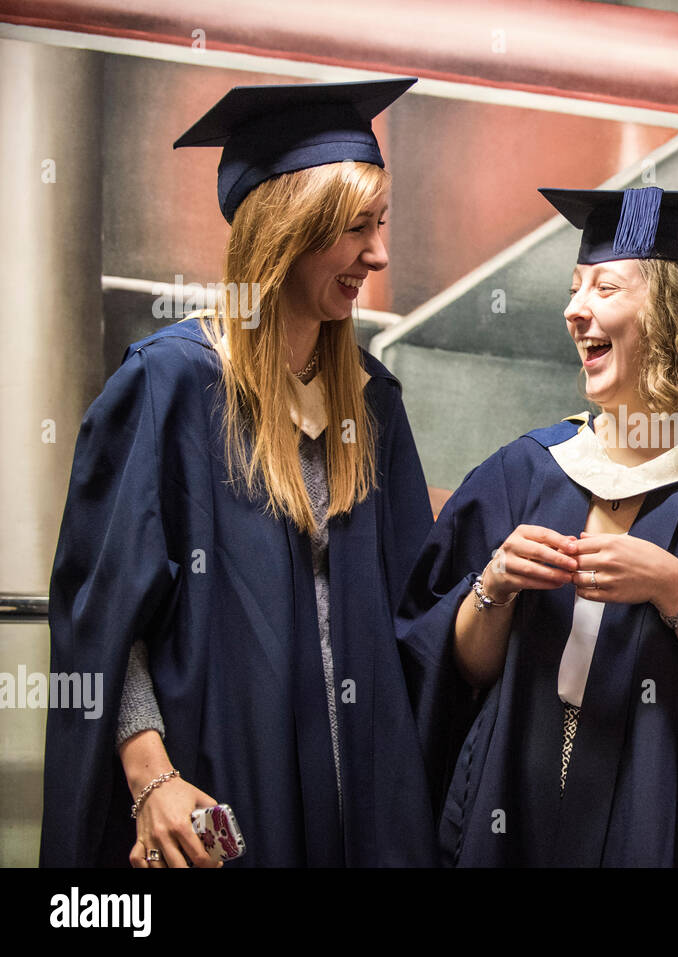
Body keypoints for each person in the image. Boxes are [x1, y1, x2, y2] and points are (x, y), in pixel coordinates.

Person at [397, 186, 678, 866]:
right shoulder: (524, 472)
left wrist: (676, 589)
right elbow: (452, 669)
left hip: (676, 836)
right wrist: (493, 586)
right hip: (515, 824)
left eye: (605, 287)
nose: (573, 309)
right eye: (574, 288)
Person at [40, 78, 440, 867]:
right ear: (291, 230)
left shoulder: (371, 403)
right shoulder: (172, 384)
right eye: (357, 227)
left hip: (360, 803)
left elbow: (414, 618)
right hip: (220, 788)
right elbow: (102, 615)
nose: (378, 253)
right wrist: (150, 774)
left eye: (380, 224)